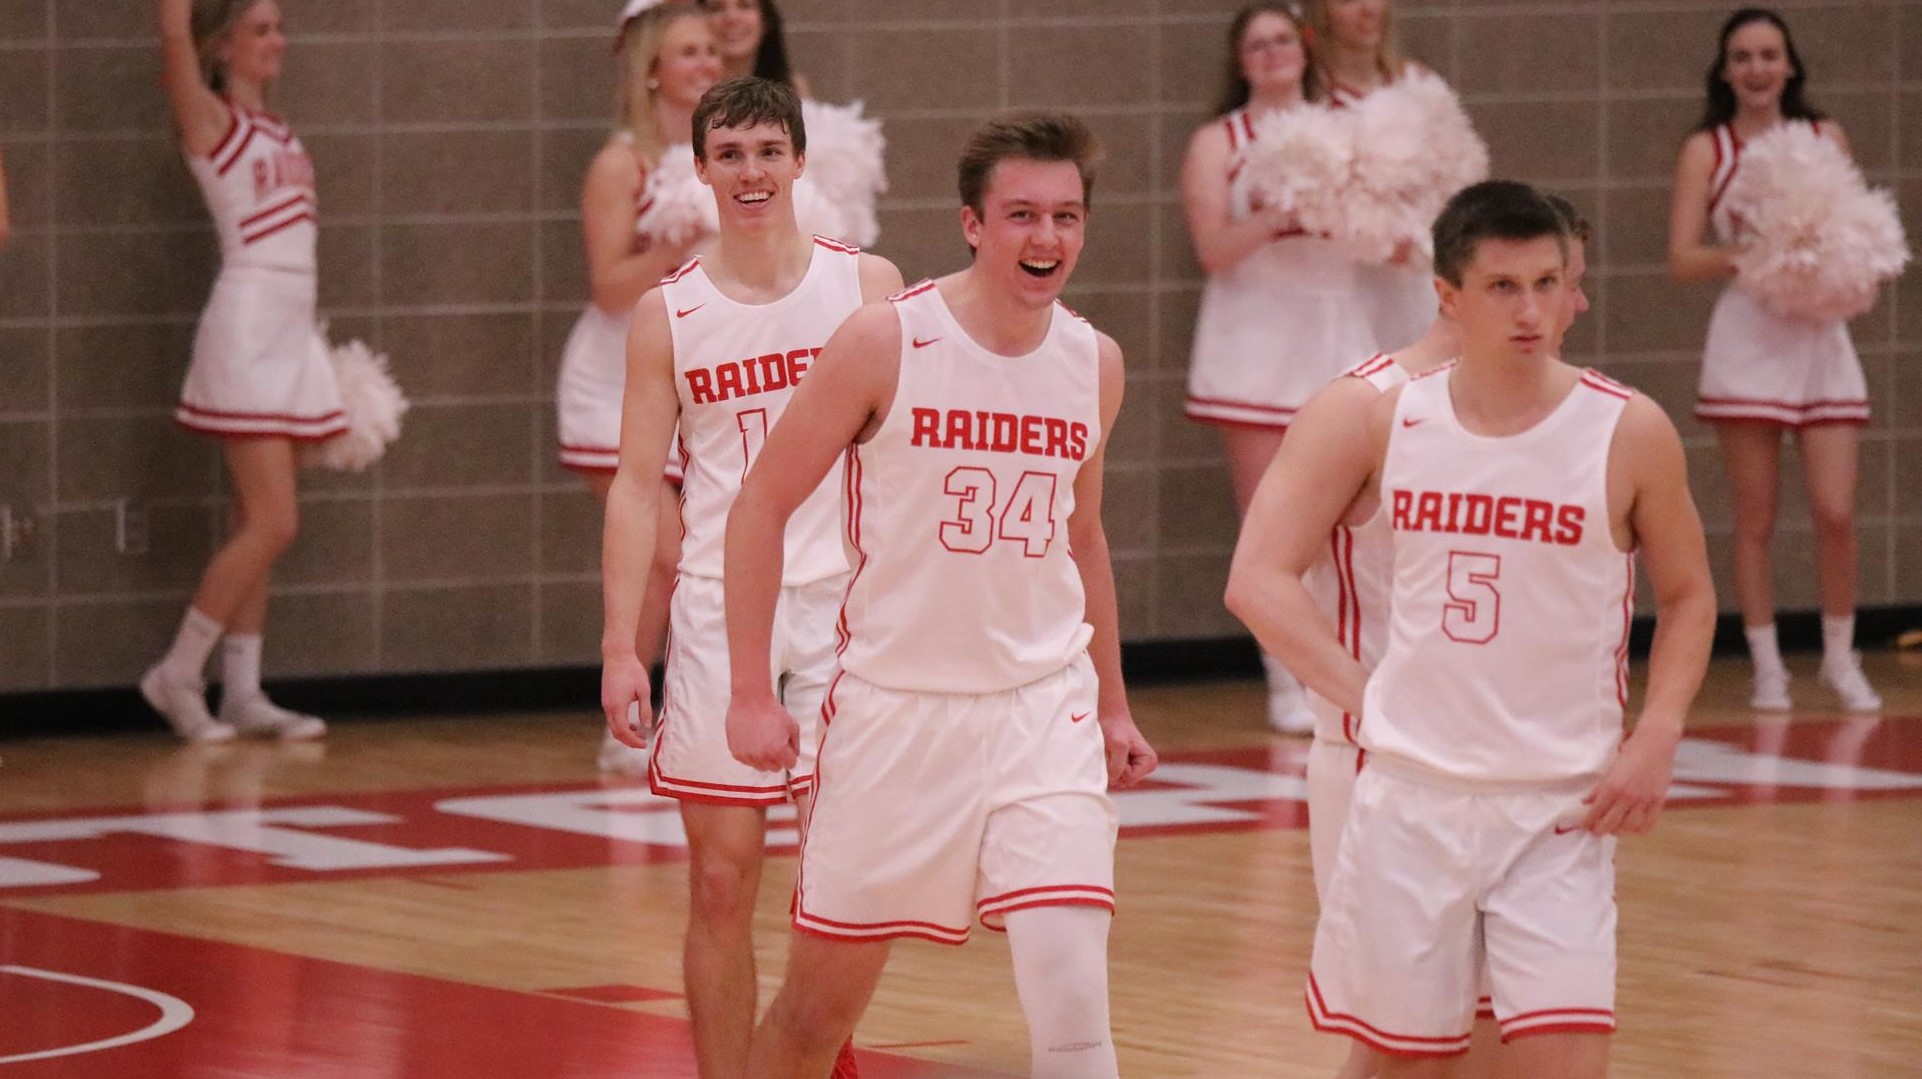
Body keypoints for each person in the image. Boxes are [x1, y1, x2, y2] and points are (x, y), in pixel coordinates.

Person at [1233, 180, 1715, 1077]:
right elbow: (1255, 578)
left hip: (1558, 796)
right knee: (1407, 1059)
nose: (1535, 308)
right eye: (1505, 285)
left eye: (1550, 281)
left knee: (1552, 1054)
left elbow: (1691, 592)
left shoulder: (1627, 428)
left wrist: (1658, 731)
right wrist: (1371, 702)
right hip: (1402, 776)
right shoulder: (1379, 415)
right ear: (1448, 293)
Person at [723, 113, 1157, 1079]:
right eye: (1021, 216)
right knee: (814, 1015)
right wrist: (752, 689)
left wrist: (1114, 704)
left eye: (1066, 217)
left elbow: (1080, 538)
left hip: (1043, 711)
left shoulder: (1096, 362)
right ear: (971, 223)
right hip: (895, 712)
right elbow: (759, 504)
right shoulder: (887, 339)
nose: (1046, 239)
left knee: (1075, 1002)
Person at [598, 77, 902, 1079]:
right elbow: (636, 490)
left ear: (801, 160)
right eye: (728, 154)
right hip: (719, 617)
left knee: (838, 882)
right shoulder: (667, 314)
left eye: (768, 150)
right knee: (721, 884)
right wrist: (617, 648)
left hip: (846, 612)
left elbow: (910, 458)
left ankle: (813, 1057)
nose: (750, 171)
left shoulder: (866, 288)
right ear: (699, 170)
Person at [1667, 7, 1880, 713]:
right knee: (1755, 515)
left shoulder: (1827, 137)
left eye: (1769, 54)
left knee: (1836, 510)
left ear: (1790, 66)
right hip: (1750, 338)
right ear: (1725, 71)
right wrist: (1760, 251)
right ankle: (1766, 665)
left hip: (1819, 334)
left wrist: (1835, 257)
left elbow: (1857, 230)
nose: (1757, 68)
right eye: (1743, 57)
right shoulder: (1710, 150)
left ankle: (1841, 657)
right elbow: (1682, 257)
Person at [140, 0, 338, 743]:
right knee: (272, 520)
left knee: (252, 520)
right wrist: (174, 20)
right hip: (249, 324)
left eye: (280, 26)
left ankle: (243, 688)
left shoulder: (277, 127)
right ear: (221, 48)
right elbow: (174, 45)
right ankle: (179, 671)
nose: (277, 40)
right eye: (261, 29)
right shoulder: (213, 123)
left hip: (290, 328)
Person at [1181, 2, 1374, 735]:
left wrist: (1350, 216)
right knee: (1268, 517)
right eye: (1256, 44)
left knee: (1352, 514)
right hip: (1255, 342)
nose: (1271, 53)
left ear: (1307, 46)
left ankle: (1347, 664)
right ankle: (1285, 679)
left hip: (1338, 331)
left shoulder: (1352, 126)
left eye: (1282, 40)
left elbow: (1395, 243)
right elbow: (1212, 248)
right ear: (1239, 60)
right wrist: (1281, 212)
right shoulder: (1218, 140)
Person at [560, 1, 720, 773]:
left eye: (712, 53)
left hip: (684, 381)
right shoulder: (620, 164)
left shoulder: (723, 156)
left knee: (682, 556)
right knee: (666, 552)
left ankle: (667, 710)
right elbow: (607, 286)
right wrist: (678, 245)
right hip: (611, 381)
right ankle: (631, 716)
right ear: (652, 67)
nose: (707, 66)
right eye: (689, 53)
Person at [1302, 0, 1443, 353]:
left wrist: (1416, 235)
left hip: (1410, 278)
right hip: (1333, 285)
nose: (1369, 9)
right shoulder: (1308, 97)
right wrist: (1374, 235)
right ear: (1321, 14)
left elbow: (1452, 176)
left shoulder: (1416, 82)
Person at [702, 0, 808, 95]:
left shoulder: (792, 88)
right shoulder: (691, 91)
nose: (731, 18)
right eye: (716, 8)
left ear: (766, 21)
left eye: (744, 6)